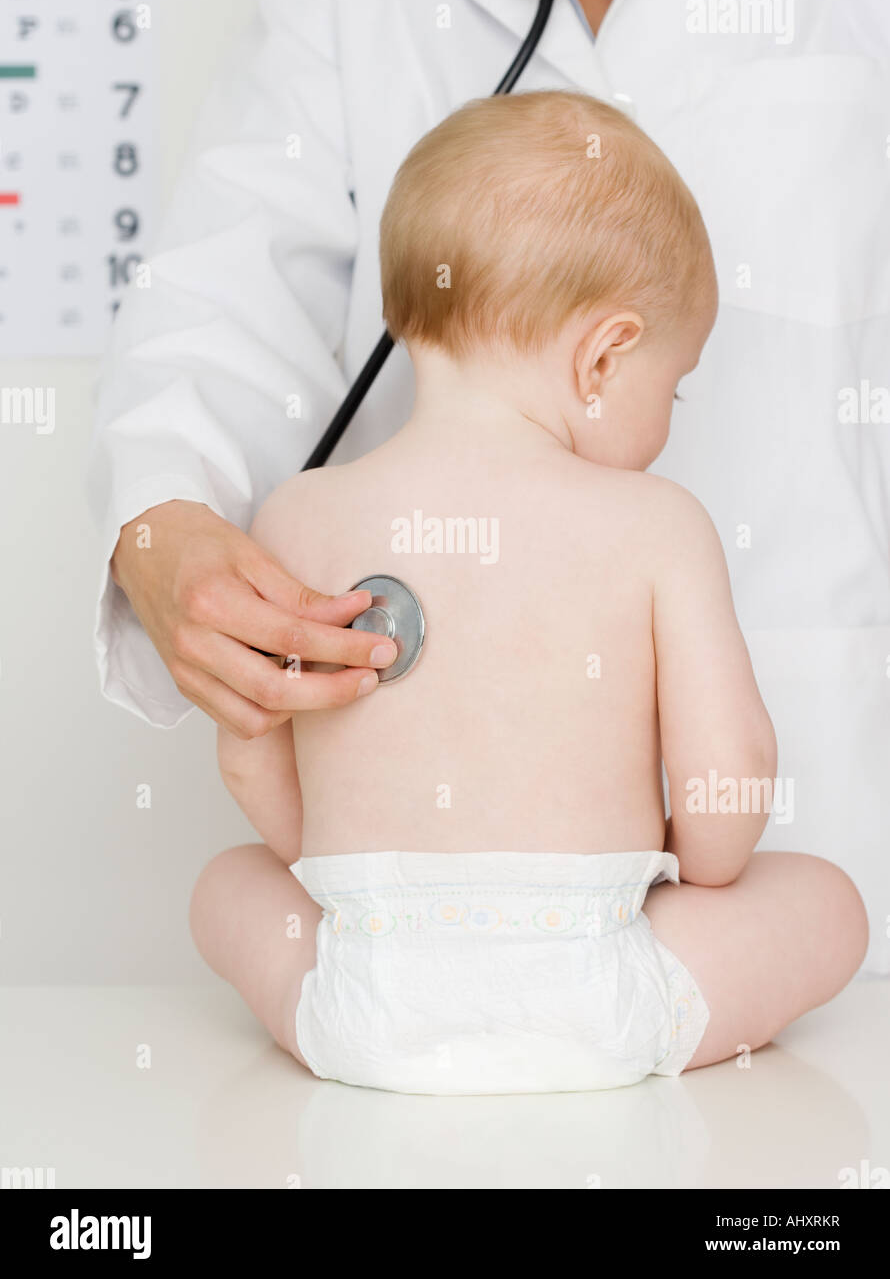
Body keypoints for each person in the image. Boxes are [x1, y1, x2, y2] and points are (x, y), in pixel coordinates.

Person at [89, 0, 890, 969]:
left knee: (237, 901)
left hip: (393, 960)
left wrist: (329, 889)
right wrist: (162, 526)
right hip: (665, 953)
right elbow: (223, 291)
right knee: (801, 939)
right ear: (607, 356)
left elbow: (260, 781)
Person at [188, 92, 868, 1094]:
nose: (669, 416)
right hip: (602, 996)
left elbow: (260, 775)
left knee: (221, 886)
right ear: (602, 354)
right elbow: (724, 798)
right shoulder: (657, 522)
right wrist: (684, 876)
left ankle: (361, 1031)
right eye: (670, 384)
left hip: (365, 1004)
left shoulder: (297, 514)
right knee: (829, 902)